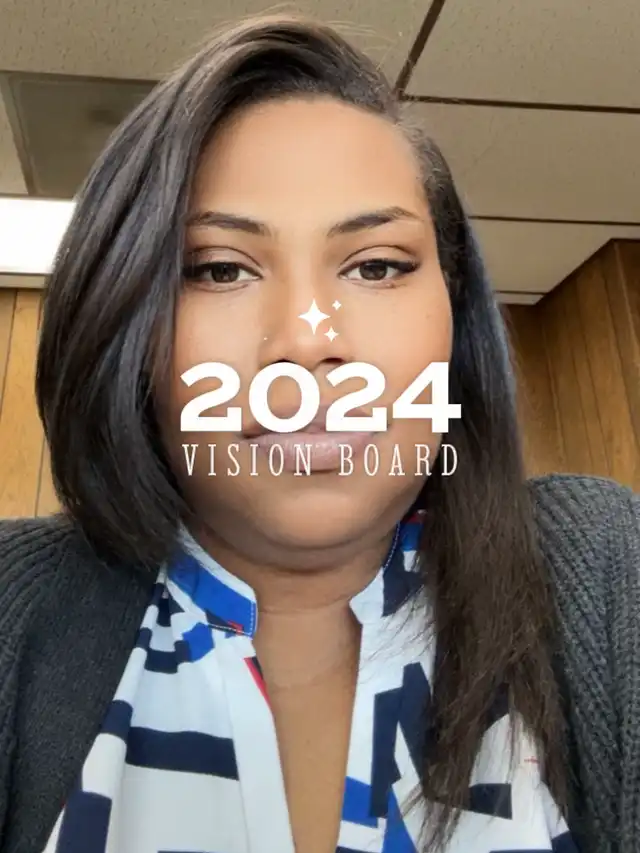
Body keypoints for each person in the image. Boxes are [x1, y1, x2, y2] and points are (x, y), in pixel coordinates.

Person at [0, 13, 637, 853]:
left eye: (376, 266)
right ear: (128, 328)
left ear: (455, 318)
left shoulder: (602, 567)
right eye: (220, 269)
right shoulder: (16, 607)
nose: (307, 341)